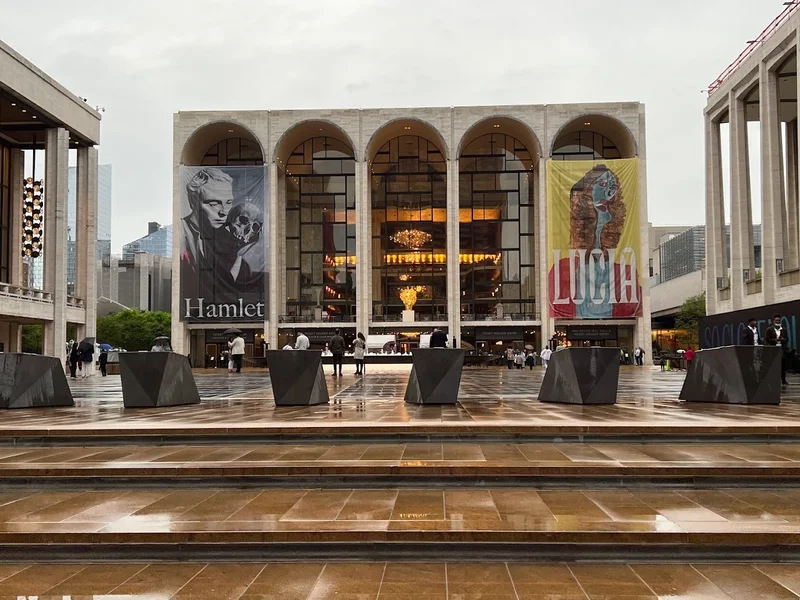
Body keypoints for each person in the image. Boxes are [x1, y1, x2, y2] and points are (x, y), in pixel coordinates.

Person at [765, 313, 790, 385]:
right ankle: (773, 379)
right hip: (773, 349)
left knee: (783, 365)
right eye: (776, 320)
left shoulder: (784, 329)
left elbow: (787, 339)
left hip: (781, 349)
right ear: (773, 321)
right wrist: (775, 340)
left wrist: (782, 339)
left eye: (779, 320)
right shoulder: (769, 329)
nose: (778, 322)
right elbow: (767, 339)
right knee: (773, 365)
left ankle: (783, 380)